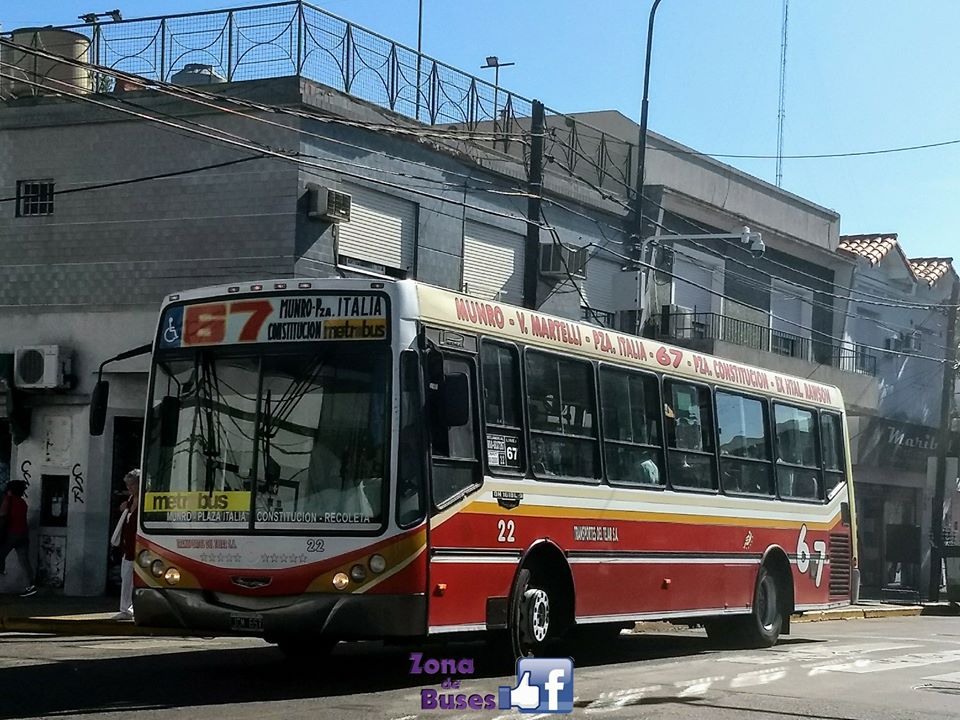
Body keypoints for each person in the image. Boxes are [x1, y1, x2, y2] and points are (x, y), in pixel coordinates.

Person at [0, 480, 37, 597]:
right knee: (24, 561)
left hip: (11, 533)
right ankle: (31, 585)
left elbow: (3, 516)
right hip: (23, 534)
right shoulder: (22, 502)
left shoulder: (8, 500)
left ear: (10, 490)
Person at [115, 469, 140, 620]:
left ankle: (131, 608)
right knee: (126, 577)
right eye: (128, 485)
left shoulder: (144, 501)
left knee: (135, 579)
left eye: (132, 484)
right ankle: (125, 608)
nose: (129, 488)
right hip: (128, 546)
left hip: (139, 547)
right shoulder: (130, 500)